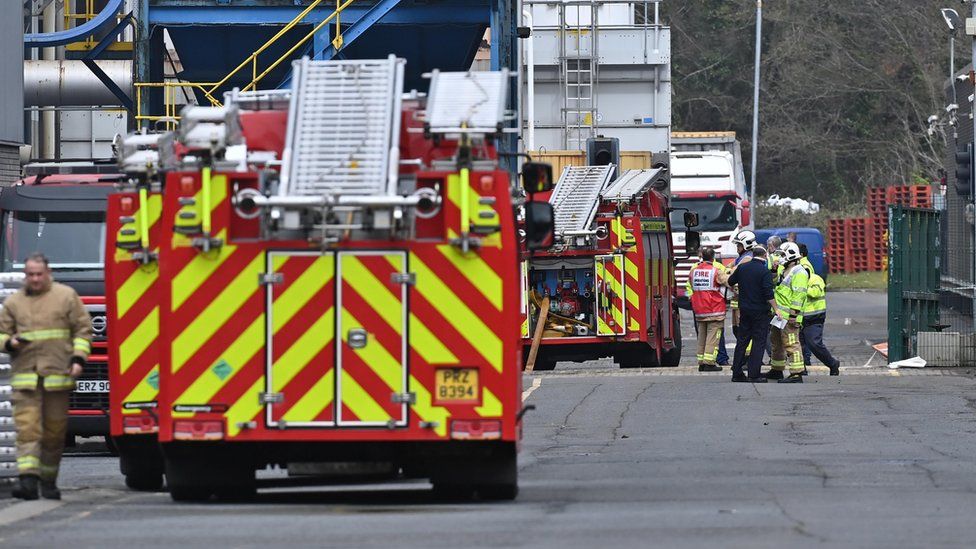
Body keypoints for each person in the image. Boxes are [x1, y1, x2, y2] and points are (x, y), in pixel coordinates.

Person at [0, 253, 92, 500]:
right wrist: (10, 342)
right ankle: (28, 481)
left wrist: (78, 359)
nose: (35, 279)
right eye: (30, 275)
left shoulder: (66, 297)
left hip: (57, 378)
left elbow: (83, 330)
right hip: (26, 380)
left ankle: (48, 481)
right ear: (25, 276)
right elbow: (0, 333)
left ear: (48, 273)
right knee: (27, 430)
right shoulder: (14, 303)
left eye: (39, 274)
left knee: (54, 434)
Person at [728, 246, 776, 383]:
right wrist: (776, 309)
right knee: (758, 341)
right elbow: (768, 293)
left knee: (742, 341)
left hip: (744, 310)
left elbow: (731, 281)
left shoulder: (743, 268)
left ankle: (736, 373)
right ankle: (754, 374)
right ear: (765, 255)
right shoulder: (764, 271)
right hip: (760, 312)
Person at [767, 242, 808, 383]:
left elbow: (799, 295)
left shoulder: (799, 272)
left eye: (783, 254)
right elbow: (774, 284)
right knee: (776, 343)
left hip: (789, 316)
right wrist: (773, 271)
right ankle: (776, 370)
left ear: (791, 255)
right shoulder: (783, 269)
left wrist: (793, 315)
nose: (780, 257)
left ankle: (796, 373)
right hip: (778, 316)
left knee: (792, 344)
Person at [798, 245, 841, 376]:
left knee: (814, 344)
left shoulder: (816, 279)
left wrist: (801, 288)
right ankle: (800, 369)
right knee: (798, 345)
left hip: (814, 317)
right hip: (800, 317)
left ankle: (832, 363)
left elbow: (815, 292)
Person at [685, 249, 730, 366]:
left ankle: (701, 360)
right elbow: (728, 282)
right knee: (713, 337)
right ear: (713, 257)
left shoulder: (693, 271)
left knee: (702, 336)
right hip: (714, 309)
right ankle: (709, 362)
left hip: (699, 309)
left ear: (701, 256)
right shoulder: (716, 271)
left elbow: (690, 285)